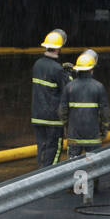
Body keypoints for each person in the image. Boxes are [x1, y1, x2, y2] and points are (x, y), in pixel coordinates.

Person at [30, 28, 70, 167]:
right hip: (53, 119)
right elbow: (67, 89)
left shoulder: (37, 65)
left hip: (37, 116)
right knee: (53, 151)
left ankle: (39, 177)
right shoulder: (57, 69)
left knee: (42, 149)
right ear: (58, 49)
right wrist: (68, 74)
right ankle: (49, 180)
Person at [59, 49, 110, 158]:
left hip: (74, 136)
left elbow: (62, 111)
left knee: (72, 167)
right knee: (93, 166)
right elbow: (104, 113)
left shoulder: (69, 87)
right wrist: (104, 129)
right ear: (92, 68)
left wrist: (67, 127)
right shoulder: (99, 87)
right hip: (93, 136)